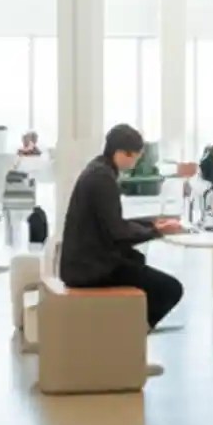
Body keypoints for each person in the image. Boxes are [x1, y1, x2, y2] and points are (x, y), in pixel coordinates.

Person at [60, 124, 185, 330]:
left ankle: (130, 326)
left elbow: (113, 223)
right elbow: (118, 232)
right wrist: (157, 231)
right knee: (171, 289)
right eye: (136, 157)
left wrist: (152, 223)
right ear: (122, 153)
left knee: (137, 261)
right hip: (90, 270)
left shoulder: (98, 170)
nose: (136, 163)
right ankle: (132, 331)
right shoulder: (102, 179)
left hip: (81, 264)